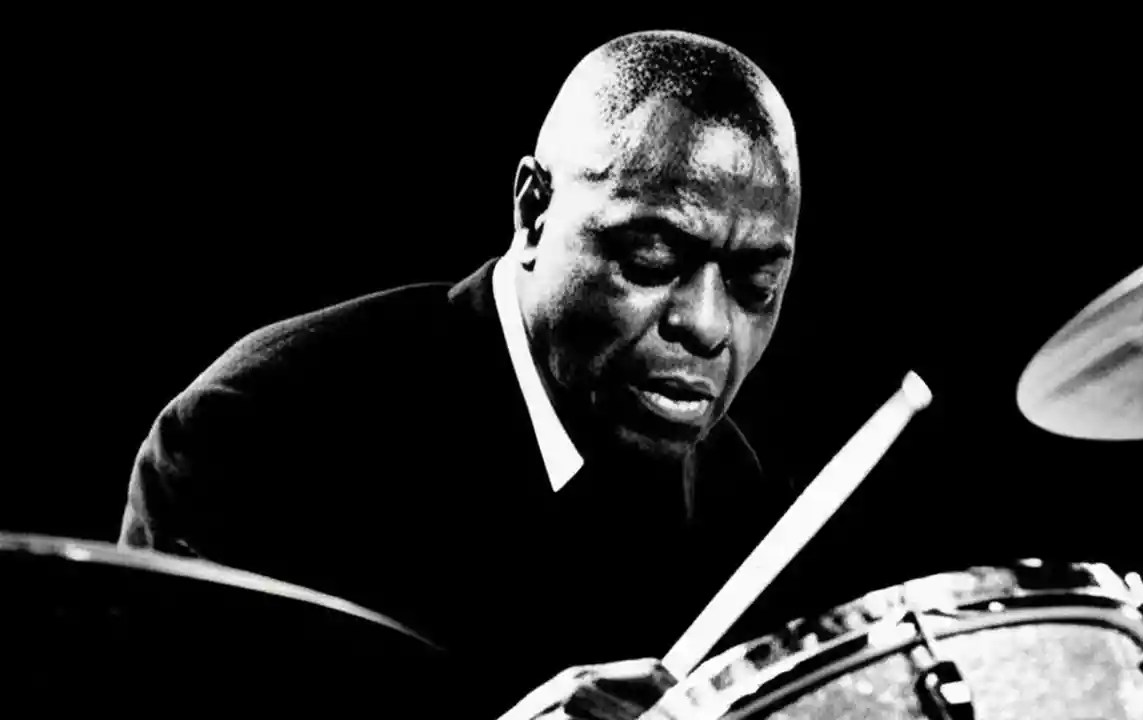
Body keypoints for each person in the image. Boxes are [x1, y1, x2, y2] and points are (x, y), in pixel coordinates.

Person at [119, 29, 802, 719]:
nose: (708, 325)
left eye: (757, 286)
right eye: (652, 259)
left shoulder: (737, 502)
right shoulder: (255, 434)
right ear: (533, 211)